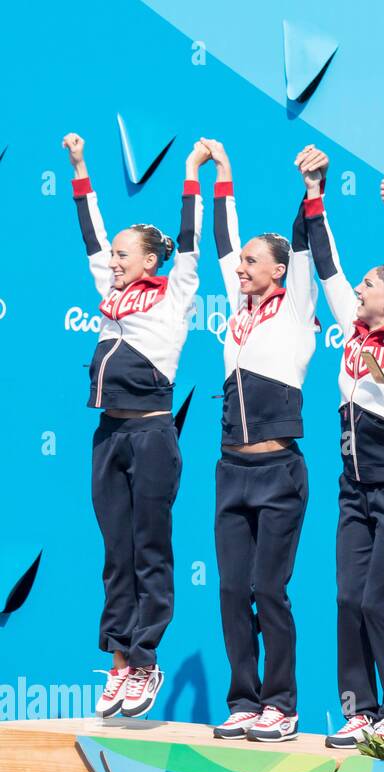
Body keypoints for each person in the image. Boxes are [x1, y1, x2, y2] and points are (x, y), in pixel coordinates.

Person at [293, 147, 384, 748]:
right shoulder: (352, 330)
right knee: (348, 599)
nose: (359, 289)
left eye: (371, 285)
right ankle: (359, 709)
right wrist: (314, 193)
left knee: (379, 605)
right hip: (353, 487)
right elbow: (326, 265)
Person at [65, 132, 207, 720]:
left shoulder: (172, 295)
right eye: (114, 257)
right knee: (115, 553)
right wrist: (79, 165)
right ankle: (120, 662)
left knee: (150, 551)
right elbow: (92, 234)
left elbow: (193, 243)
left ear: (150, 260)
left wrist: (194, 173)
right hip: (110, 437)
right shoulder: (111, 292)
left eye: (126, 256)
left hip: (151, 436)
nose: (114, 262)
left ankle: (146, 659)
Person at [205, 140, 319, 743]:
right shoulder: (239, 305)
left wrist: (312, 190)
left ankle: (281, 703)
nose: (243, 267)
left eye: (255, 262)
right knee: (230, 589)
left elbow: (305, 247)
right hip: (231, 471)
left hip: (279, 473)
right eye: (244, 262)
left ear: (278, 270)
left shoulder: (298, 306)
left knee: (268, 589)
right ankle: (244, 701)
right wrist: (224, 173)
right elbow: (225, 243)